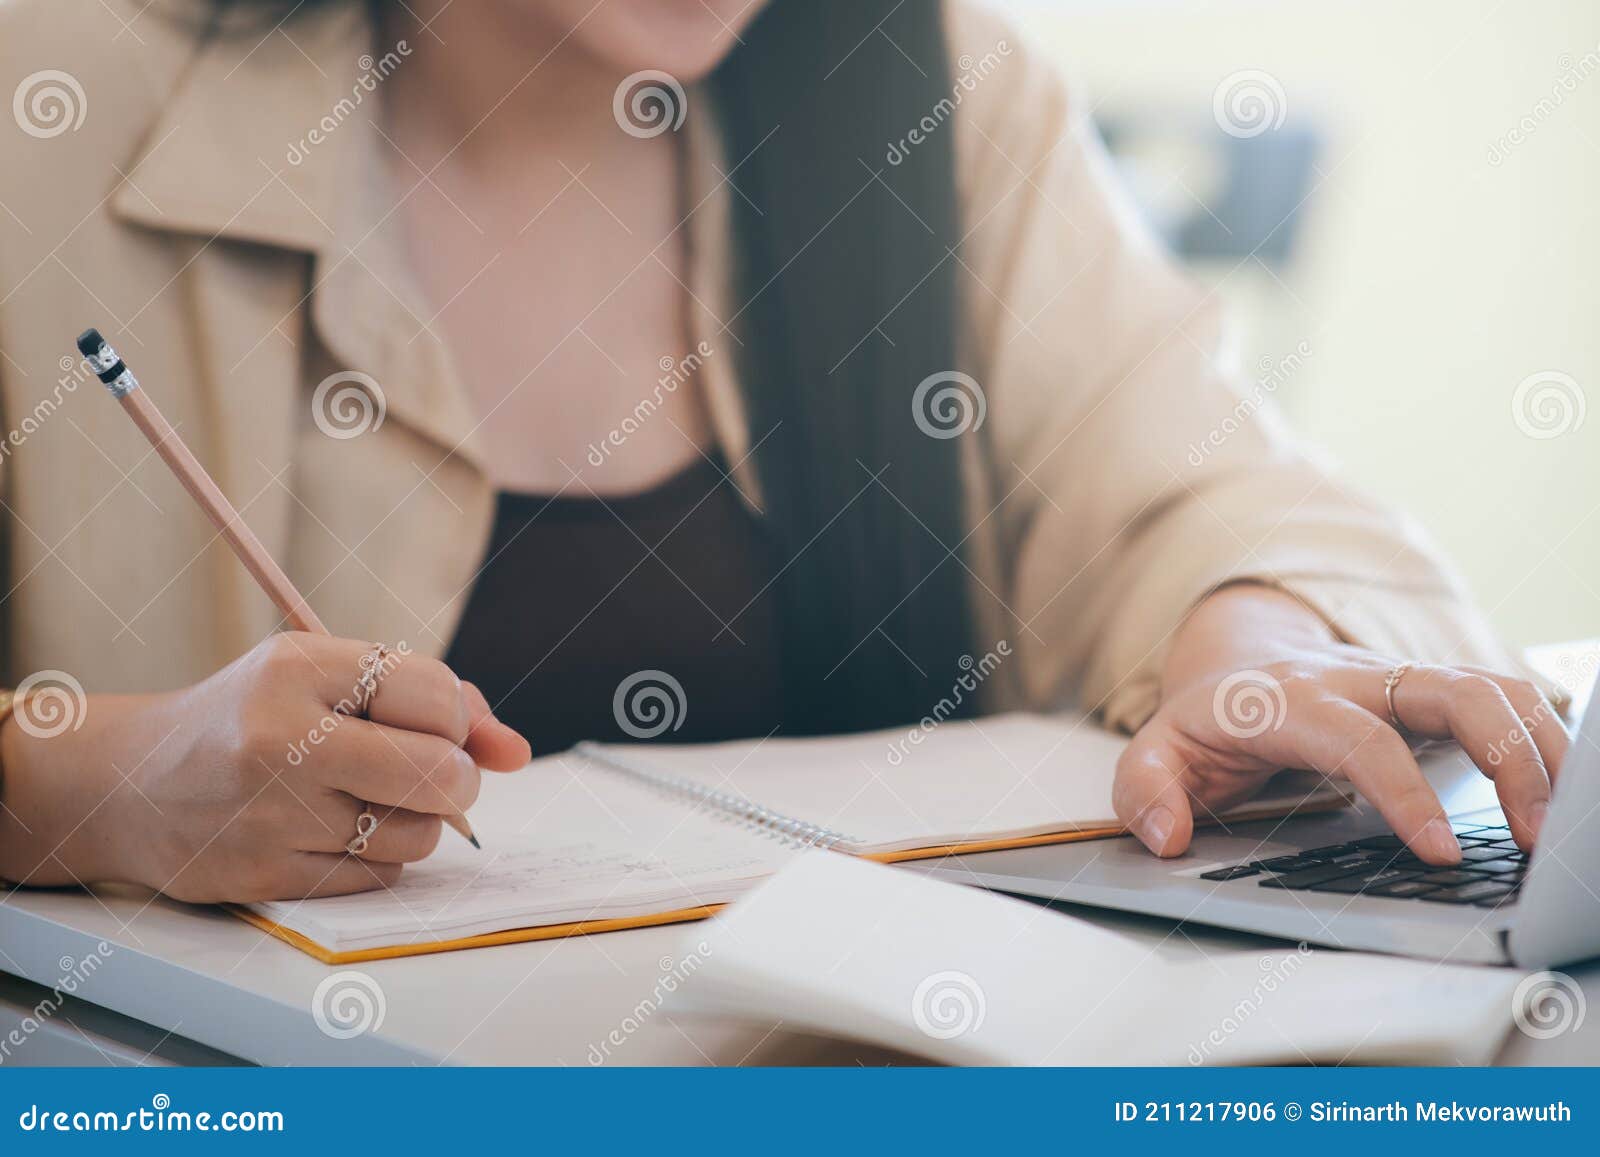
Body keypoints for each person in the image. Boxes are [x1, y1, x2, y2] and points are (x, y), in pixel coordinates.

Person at [0, 0, 1566, 904]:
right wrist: (91, 784)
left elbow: (1211, 489)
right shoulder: (46, 97)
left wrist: (1256, 645)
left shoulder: (927, 84)